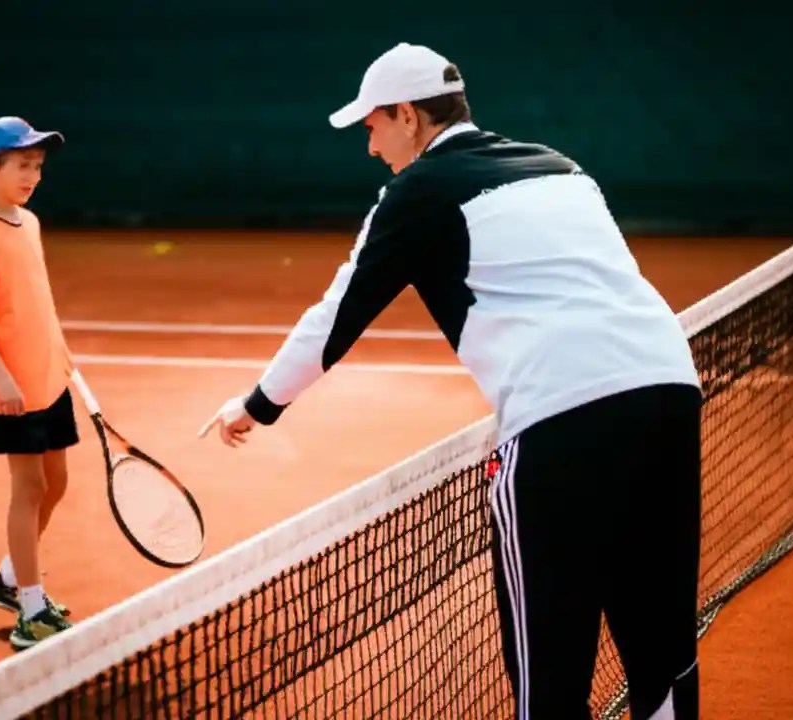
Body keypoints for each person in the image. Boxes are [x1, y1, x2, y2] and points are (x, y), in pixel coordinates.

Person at [199, 43, 703, 719]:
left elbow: (337, 317)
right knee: (661, 645)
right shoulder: (563, 168)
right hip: (671, 394)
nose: (372, 147)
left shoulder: (417, 193)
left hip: (561, 422)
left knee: (549, 675)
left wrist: (259, 404)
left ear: (408, 116)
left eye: (373, 127)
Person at [0, 116, 78, 650]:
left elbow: (39, 296)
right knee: (28, 490)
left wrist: (61, 350)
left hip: (49, 377)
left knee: (57, 483)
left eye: (38, 167)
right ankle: (31, 609)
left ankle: (8, 580)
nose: (33, 176)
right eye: (23, 165)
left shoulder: (29, 222)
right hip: (14, 390)